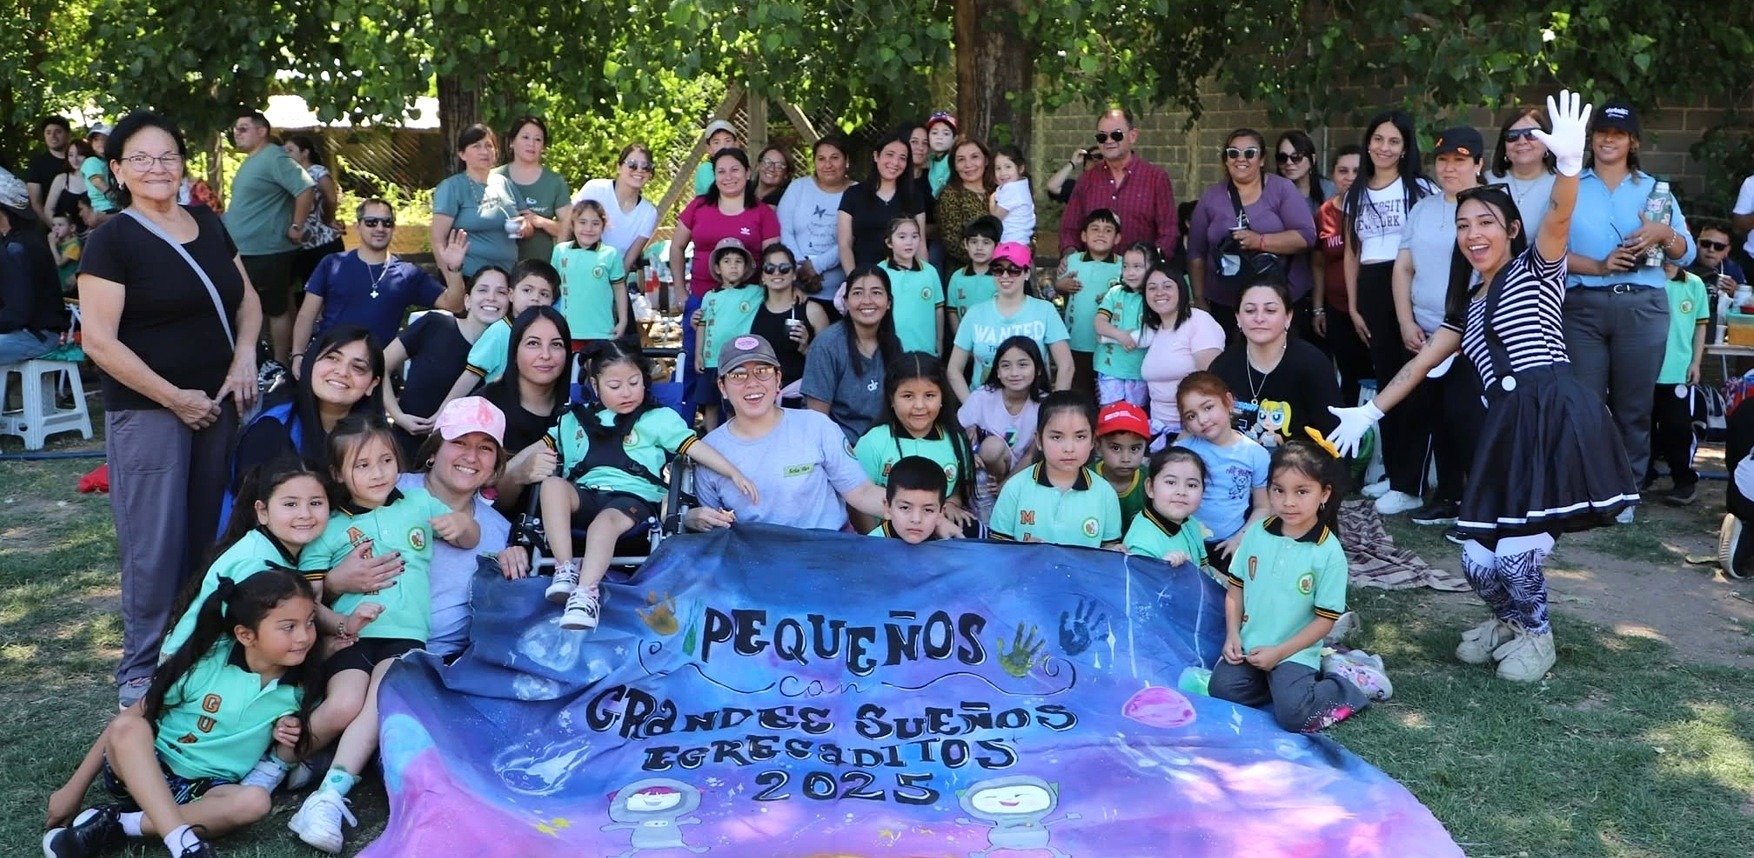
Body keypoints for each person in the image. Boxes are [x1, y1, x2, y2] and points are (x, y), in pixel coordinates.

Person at [1326, 92, 1638, 682]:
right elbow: (1416, 368)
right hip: (1506, 427)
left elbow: (1561, 218)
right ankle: (1511, 622)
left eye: (1486, 222)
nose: (1473, 233)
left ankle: (1537, 637)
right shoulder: (1464, 307)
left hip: (1552, 415)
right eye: (1464, 225)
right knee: (1475, 557)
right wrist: (1369, 414)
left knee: (1519, 552)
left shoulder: (1537, 266)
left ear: (1510, 229)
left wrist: (1569, 167)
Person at [79, 112, 263, 709]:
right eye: (141, 159)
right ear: (117, 171)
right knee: (153, 540)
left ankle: (190, 643)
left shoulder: (208, 223)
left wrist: (242, 362)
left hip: (217, 405)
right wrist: (173, 397)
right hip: (152, 411)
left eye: (167, 157)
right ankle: (140, 663)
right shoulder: (112, 239)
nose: (156, 169)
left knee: (204, 532)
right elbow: (99, 341)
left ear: (183, 164)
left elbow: (250, 302)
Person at [289, 414, 479, 853]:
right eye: (362, 465)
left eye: (386, 460)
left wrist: (463, 527)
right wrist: (334, 620)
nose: (378, 473)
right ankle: (280, 762)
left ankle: (330, 794)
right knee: (345, 703)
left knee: (379, 699)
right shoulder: (329, 527)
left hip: (406, 637)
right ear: (338, 474)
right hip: (350, 636)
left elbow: (470, 536)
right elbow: (311, 599)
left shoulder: (418, 503)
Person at [42, 570, 323, 858]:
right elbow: (126, 724)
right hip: (147, 767)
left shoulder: (302, 685)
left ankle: (120, 823)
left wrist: (286, 727)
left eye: (310, 622)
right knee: (129, 726)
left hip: (209, 788)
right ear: (245, 635)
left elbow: (280, 728)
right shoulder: (207, 663)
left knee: (255, 802)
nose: (304, 636)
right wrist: (73, 789)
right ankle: (185, 846)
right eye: (289, 627)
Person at [539, 342, 756, 629]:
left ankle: (586, 593)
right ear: (595, 384)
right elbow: (537, 451)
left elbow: (694, 448)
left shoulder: (657, 419)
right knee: (552, 485)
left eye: (634, 382)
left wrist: (733, 472)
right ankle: (564, 570)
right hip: (585, 494)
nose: (627, 392)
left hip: (633, 500)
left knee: (603, 524)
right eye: (615, 385)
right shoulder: (572, 421)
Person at [1564, 100, 1695, 521]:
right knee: (1583, 402)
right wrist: (1599, 265)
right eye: (1602, 131)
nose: (1608, 139)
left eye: (1618, 133)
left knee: (1633, 407)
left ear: (1632, 141)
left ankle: (1625, 490)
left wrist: (1663, 231)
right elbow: (1547, 252)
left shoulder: (1655, 189)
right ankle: (1583, 487)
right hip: (1583, 303)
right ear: (1591, 137)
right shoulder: (1570, 184)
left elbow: (1688, 252)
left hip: (1642, 304)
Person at [1209, 439, 1390, 733]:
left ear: (1324, 494)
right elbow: (1236, 589)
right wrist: (1233, 635)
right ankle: (1280, 687)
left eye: (1301, 491)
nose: (1288, 502)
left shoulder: (1327, 552)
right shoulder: (1256, 534)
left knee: (1294, 716)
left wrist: (1279, 654)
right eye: (1279, 490)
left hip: (1295, 652)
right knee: (1222, 689)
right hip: (1252, 647)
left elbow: (1325, 621)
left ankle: (1348, 681)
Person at [1375, 126, 1487, 520]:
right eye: (1443, 160)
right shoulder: (1424, 207)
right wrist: (1406, 322)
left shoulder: (1490, 209)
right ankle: (1440, 494)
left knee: (1465, 417)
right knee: (1429, 413)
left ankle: (1476, 502)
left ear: (1479, 163)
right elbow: (1403, 267)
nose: (1449, 168)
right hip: (1422, 330)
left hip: (1471, 334)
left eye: (1459, 160)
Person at [688, 335, 892, 531]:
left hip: (826, 552)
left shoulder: (817, 426)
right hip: (755, 560)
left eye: (763, 371)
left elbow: (862, 493)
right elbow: (714, 529)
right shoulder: (709, 451)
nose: (752, 383)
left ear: (778, 380)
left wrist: (913, 511)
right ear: (722, 387)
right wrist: (691, 519)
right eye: (738, 375)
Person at [1343, 111, 1435, 497]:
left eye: (1394, 141)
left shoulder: (1421, 189)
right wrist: (1352, 305)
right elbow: (1352, 253)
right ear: (1368, 143)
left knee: (1414, 385)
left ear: (1405, 148)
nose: (1384, 147)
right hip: (1371, 288)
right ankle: (1396, 476)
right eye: (1378, 139)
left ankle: (1413, 481)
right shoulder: (1356, 192)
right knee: (1387, 383)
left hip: (1410, 287)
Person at [160, 460, 335, 657]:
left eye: (316, 503)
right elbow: (257, 641)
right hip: (197, 665)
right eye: (290, 504)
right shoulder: (256, 562)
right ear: (262, 512)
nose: (305, 514)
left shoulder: (280, 545)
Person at [226, 325, 385, 528]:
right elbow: (252, 519)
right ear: (310, 363)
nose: (342, 371)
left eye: (358, 367)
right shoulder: (271, 429)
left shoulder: (375, 438)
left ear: (372, 384)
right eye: (332, 358)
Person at [398, 396, 512, 658]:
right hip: (362, 649)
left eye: (485, 448)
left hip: (442, 668)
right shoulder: (386, 490)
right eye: (459, 442)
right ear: (434, 450)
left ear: (495, 463)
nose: (471, 457)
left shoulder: (501, 532)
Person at [671, 147, 781, 415]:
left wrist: (782, 292)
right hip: (701, 302)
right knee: (694, 370)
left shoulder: (762, 212)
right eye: (721, 171)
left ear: (747, 173)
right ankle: (684, 436)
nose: (728, 176)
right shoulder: (699, 206)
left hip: (744, 306)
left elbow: (772, 257)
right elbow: (676, 247)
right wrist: (682, 292)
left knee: (741, 370)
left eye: (734, 169)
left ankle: (739, 431)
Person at [291, 198, 468, 360]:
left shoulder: (407, 274)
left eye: (387, 223)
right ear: (358, 226)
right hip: (328, 359)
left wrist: (454, 268)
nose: (379, 228)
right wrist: (298, 355)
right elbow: (306, 315)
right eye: (371, 222)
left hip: (375, 369)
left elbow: (454, 305)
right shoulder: (332, 264)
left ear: (393, 227)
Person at [1188, 128, 1317, 339]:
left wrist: (1260, 241)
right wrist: (1200, 299)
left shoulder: (1281, 189)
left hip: (1278, 298)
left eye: (1249, 153)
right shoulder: (1211, 196)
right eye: (1233, 153)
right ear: (1226, 160)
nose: (1241, 159)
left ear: (1262, 159)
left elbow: (1307, 236)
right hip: (1226, 303)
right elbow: (1196, 251)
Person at [384, 265, 506, 460]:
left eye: (501, 292)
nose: (491, 297)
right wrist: (398, 416)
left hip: (465, 461)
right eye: (483, 290)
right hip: (406, 448)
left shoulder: (509, 351)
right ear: (467, 300)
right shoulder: (434, 324)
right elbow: (379, 365)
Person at [225, 110, 315, 366]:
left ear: (262, 130)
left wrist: (297, 225)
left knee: (276, 310)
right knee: (260, 308)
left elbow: (306, 187)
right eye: (235, 129)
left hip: (266, 250)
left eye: (243, 128)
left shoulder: (274, 157)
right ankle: (264, 361)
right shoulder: (254, 159)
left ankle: (280, 365)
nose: (236, 134)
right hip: (247, 250)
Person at [854, 352, 978, 532]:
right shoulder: (873, 442)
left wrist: (952, 503)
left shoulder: (955, 441)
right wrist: (870, 540)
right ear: (891, 398)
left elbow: (958, 486)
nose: (919, 405)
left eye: (929, 395)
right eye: (908, 396)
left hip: (936, 544)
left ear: (942, 397)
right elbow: (858, 497)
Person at [1211, 279, 1341, 446]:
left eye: (1270, 310)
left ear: (1288, 317)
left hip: (1300, 466)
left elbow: (1334, 436)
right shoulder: (1223, 366)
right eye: (1250, 310)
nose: (1259, 318)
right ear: (1238, 317)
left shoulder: (1312, 364)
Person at [990, 391, 1122, 548]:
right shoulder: (1015, 487)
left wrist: (1116, 550)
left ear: (1093, 441)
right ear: (1038, 440)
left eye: (1080, 437)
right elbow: (996, 546)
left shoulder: (1105, 494)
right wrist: (1021, 550)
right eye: (1057, 437)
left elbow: (1109, 549)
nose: (1069, 448)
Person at [947, 242, 1074, 399]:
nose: (1005, 276)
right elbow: (954, 369)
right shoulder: (975, 313)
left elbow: (1066, 365)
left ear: (1027, 273)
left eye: (1014, 270)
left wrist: (1054, 411)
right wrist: (971, 409)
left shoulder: (1045, 310)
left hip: (1034, 407)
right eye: (998, 270)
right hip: (984, 408)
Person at [479, 306, 572, 517]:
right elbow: (480, 503)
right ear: (514, 351)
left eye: (556, 345)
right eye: (533, 344)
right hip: (500, 533)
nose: (546, 355)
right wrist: (517, 475)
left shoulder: (579, 405)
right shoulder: (484, 407)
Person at [1175, 371, 1270, 569]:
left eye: (1208, 407)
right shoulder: (1183, 451)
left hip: (1229, 543)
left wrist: (1240, 539)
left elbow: (1263, 506)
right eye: (1191, 416)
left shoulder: (1255, 454)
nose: (1202, 419)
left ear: (1228, 402)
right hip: (1184, 541)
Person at [1058, 107, 1179, 262]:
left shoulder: (1156, 178)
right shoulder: (1086, 180)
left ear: (1133, 136)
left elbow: (1168, 233)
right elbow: (1069, 229)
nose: (1109, 141)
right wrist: (1070, 258)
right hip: (1093, 275)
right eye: (1102, 137)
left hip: (1140, 278)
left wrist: (1150, 264)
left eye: (1116, 135)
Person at [802, 265, 901, 442]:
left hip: (886, 446)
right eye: (857, 293)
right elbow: (817, 422)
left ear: (889, 302)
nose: (867, 301)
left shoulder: (893, 344)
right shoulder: (826, 346)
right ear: (846, 302)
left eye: (876, 293)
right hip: (841, 450)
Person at [957, 335, 1050, 518]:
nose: (1014, 373)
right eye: (1006, 366)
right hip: (981, 468)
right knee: (992, 447)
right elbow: (956, 432)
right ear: (997, 371)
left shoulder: (1044, 405)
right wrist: (968, 453)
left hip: (1024, 473)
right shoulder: (983, 396)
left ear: (1038, 369)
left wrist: (1007, 483)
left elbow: (1033, 454)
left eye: (1023, 365)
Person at [1138, 258, 1224, 437]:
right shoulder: (1154, 331)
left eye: (1167, 286)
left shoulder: (1199, 321)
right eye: (1152, 288)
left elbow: (1212, 382)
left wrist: (1189, 431)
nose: (1159, 292)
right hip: (1157, 431)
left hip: (1193, 431)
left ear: (1181, 288)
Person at [448, 259, 559, 395]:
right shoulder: (499, 332)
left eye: (544, 294)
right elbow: (470, 375)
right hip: (500, 409)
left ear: (552, 302)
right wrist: (441, 413)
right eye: (527, 290)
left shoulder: (550, 334)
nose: (535, 298)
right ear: (511, 295)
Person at [1647, 262, 1709, 505]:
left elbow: (1700, 326)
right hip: (1643, 370)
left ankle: (1684, 481)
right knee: (1642, 426)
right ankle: (1642, 477)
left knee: (1677, 428)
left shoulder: (1694, 283)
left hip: (1677, 371)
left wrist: (1696, 362)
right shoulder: (1644, 278)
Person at [1312, 145, 1370, 406]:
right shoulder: (1324, 214)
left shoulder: (1376, 208)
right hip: (1337, 310)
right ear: (1333, 175)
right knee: (1348, 376)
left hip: (1372, 309)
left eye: (1357, 171)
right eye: (1342, 170)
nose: (1349, 177)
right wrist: (1317, 309)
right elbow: (1318, 264)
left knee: (1375, 375)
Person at [431, 124, 520, 277]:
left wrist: (525, 226)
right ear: (462, 154)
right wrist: (451, 280)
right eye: (476, 146)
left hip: (507, 277)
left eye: (489, 146)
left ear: (496, 151)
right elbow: (437, 239)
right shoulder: (452, 188)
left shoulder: (504, 183)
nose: (484, 152)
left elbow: (526, 219)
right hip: (470, 278)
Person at [695, 238, 763, 430]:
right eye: (727, 261)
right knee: (710, 403)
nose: (733, 266)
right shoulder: (710, 296)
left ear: (746, 266)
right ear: (717, 268)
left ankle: (736, 436)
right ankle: (710, 439)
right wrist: (698, 354)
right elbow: (702, 325)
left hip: (737, 360)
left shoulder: (755, 292)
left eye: (738, 261)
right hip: (711, 360)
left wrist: (797, 291)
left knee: (734, 402)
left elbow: (778, 293)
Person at [0, 172, 68, 363]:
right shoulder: (13, 242)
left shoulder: (19, 248)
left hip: (37, 336)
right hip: (23, 332)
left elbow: (18, 313)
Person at [750, 244, 830, 403]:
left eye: (784, 268)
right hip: (758, 396)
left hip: (801, 397)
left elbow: (828, 365)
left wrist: (807, 348)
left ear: (794, 274)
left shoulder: (813, 311)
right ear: (762, 277)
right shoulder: (750, 309)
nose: (777, 272)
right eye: (769, 268)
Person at [1056, 209, 1124, 395]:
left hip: (1108, 344)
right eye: (1095, 229)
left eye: (1108, 230)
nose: (1101, 234)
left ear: (1117, 238)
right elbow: (1053, 291)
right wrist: (1060, 285)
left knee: (1104, 391)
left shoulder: (1123, 266)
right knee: (1078, 390)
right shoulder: (1071, 261)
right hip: (1075, 340)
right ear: (1084, 236)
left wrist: (1114, 296)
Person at [777, 136, 855, 297]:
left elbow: (852, 238)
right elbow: (784, 230)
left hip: (838, 293)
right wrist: (800, 266)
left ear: (846, 161)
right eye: (821, 159)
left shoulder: (858, 192)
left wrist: (816, 266)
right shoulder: (798, 187)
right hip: (795, 287)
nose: (828, 165)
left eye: (835, 158)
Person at [839, 131, 926, 272]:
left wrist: (924, 278)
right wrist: (853, 280)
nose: (895, 162)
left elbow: (921, 244)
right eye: (889, 154)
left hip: (905, 278)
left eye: (902, 158)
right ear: (876, 156)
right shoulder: (853, 194)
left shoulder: (914, 196)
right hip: (865, 277)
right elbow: (844, 244)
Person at [1122, 446, 1213, 580]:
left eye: (1192, 485)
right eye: (1171, 482)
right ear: (1150, 487)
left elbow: (1205, 570)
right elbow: (1141, 594)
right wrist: (1162, 571)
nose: (1181, 491)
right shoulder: (1142, 545)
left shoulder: (1190, 522)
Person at [572, 143, 660, 276]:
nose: (639, 170)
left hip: (611, 277)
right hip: (575, 268)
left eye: (646, 167)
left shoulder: (649, 213)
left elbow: (627, 262)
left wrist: (612, 287)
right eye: (632, 164)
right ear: (619, 167)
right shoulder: (594, 189)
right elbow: (567, 225)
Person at [493, 116, 572, 263]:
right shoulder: (493, 178)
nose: (531, 144)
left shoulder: (555, 182)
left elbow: (569, 228)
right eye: (525, 137)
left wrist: (540, 222)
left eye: (538, 139)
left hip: (541, 268)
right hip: (497, 268)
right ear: (511, 142)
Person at [551, 200, 628, 347]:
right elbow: (551, 288)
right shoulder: (560, 251)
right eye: (582, 222)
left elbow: (619, 288)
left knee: (598, 369)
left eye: (595, 223)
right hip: (567, 331)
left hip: (602, 331)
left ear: (603, 227)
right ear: (573, 225)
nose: (589, 228)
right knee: (572, 369)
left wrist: (622, 320)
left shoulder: (610, 254)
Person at [1092, 244, 1154, 409]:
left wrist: (1109, 337)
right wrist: (1120, 335)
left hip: (1139, 371)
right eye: (1125, 266)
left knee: (1134, 417)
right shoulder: (1115, 293)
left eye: (1137, 267)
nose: (1130, 272)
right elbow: (1099, 323)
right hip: (1110, 366)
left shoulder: (1154, 296)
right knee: (1109, 414)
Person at [282, 135, 344, 291]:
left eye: (290, 150)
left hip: (322, 240)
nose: (286, 154)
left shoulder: (317, 171)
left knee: (327, 288)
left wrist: (329, 219)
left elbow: (331, 198)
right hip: (302, 244)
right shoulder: (290, 175)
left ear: (305, 153)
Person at [1486, 107, 1558, 239]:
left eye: (1532, 134)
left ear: (1547, 141)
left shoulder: (1562, 183)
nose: (1522, 141)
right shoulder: (1486, 183)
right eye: (1512, 136)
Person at [877, 216, 944, 354]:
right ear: (889, 242)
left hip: (925, 349)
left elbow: (938, 310)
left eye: (914, 236)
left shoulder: (930, 272)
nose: (909, 242)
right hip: (890, 351)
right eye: (902, 237)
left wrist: (939, 342)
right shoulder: (880, 271)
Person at [935, 138, 995, 278]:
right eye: (961, 159)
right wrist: (988, 261)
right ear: (954, 165)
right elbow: (952, 242)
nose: (968, 164)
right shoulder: (950, 195)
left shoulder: (998, 190)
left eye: (974, 157)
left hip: (1005, 271)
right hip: (965, 274)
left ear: (986, 160)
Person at [1094, 401, 1151, 528]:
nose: (1126, 458)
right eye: (1115, 448)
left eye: (1135, 449)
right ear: (1098, 447)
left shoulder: (1151, 481)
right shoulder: (1086, 478)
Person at [871, 455, 949, 543]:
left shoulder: (949, 548)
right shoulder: (869, 548)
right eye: (905, 508)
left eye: (928, 510)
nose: (916, 519)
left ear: (940, 513)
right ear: (888, 508)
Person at [946, 214, 1001, 328]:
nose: (979, 247)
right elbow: (952, 312)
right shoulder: (957, 278)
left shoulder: (1002, 277)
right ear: (966, 244)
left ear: (997, 246)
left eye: (986, 242)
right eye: (974, 242)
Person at [1275, 130, 1336, 216]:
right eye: (1282, 158)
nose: (1289, 162)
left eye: (1297, 157)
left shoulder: (1328, 191)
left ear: (1312, 159)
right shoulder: (1270, 193)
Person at [25, 115, 73, 222]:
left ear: (68, 134)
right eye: (48, 132)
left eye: (58, 132)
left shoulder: (80, 159)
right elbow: (36, 202)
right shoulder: (37, 164)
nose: (53, 136)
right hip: (55, 225)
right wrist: (54, 228)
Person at [989, 144, 1035, 245]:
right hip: (1021, 241)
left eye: (1008, 167)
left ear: (1021, 168)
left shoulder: (1012, 189)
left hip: (1010, 243)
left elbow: (995, 219)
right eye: (998, 168)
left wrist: (991, 200)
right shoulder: (1021, 185)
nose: (1003, 172)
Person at [45, 140, 95, 220]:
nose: (75, 159)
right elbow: (48, 209)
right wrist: (59, 228)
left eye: (80, 154)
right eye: (71, 155)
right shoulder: (61, 179)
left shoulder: (97, 177)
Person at [691, 119, 740, 197]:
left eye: (727, 140)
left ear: (736, 144)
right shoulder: (706, 168)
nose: (723, 146)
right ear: (708, 149)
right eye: (716, 142)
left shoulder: (741, 167)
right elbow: (719, 194)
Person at [924, 113, 957, 198]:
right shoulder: (929, 160)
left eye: (946, 134)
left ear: (954, 139)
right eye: (934, 133)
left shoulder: (953, 161)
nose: (939, 137)